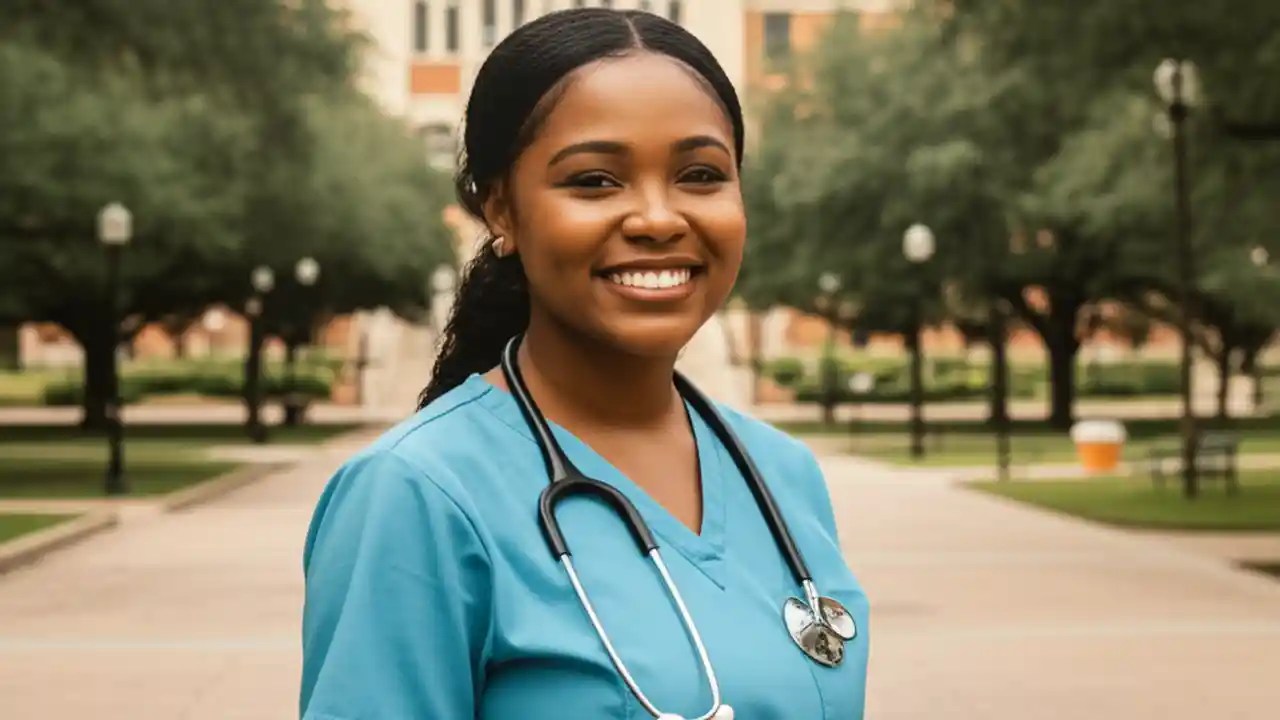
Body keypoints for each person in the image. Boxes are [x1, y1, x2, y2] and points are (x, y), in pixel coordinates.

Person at [300, 8, 869, 719]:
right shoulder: (418, 494)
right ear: (501, 210)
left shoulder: (783, 475)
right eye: (596, 181)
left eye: (700, 174)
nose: (658, 219)